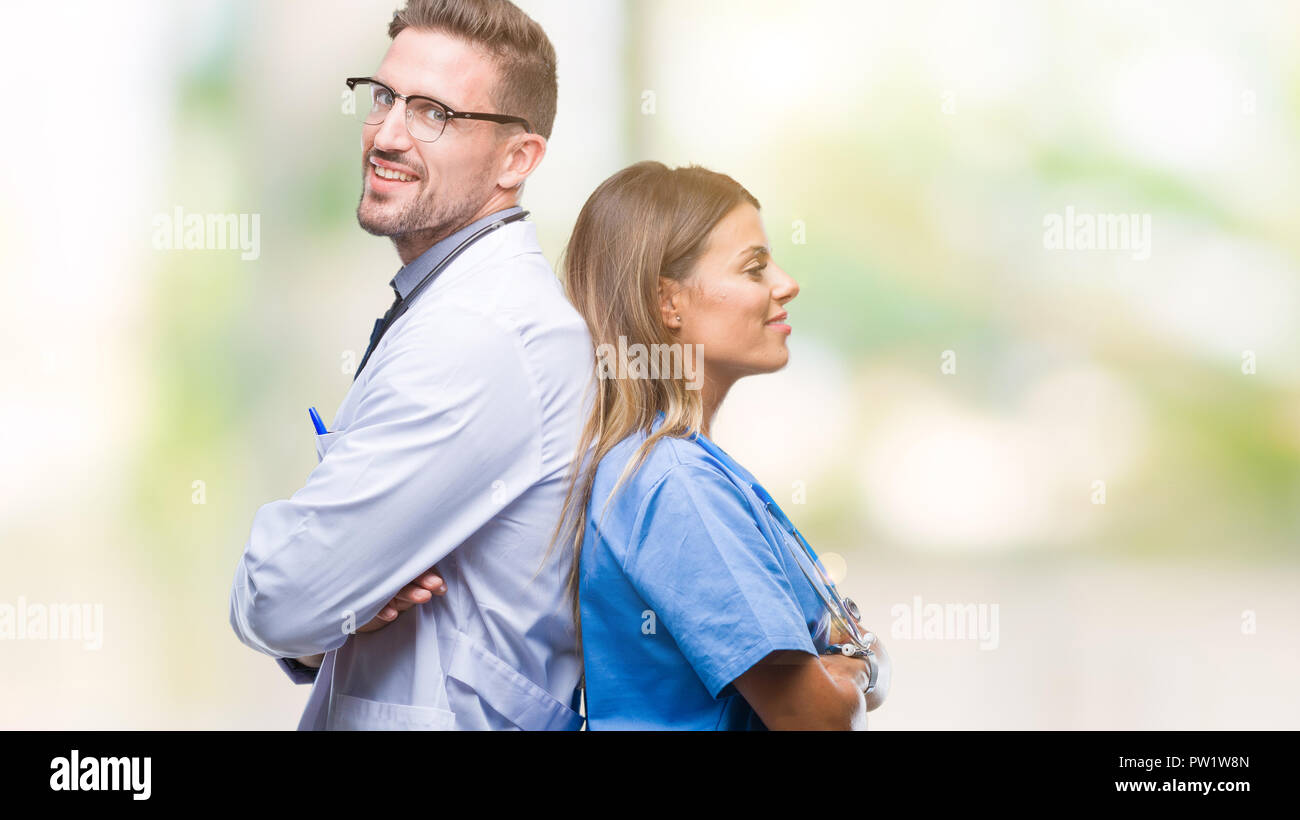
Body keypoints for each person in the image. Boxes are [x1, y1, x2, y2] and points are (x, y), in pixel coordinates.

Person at [229, 0, 590, 730]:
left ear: (517, 159)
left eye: (433, 113)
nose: (387, 134)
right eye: (385, 97)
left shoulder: (480, 334)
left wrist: (323, 590)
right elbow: (311, 603)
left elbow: (280, 595)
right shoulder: (454, 306)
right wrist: (342, 599)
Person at [555, 162, 890, 730]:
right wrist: (860, 662)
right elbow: (818, 720)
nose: (787, 283)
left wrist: (846, 661)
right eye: (755, 267)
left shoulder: (684, 466)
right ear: (667, 302)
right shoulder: (675, 482)